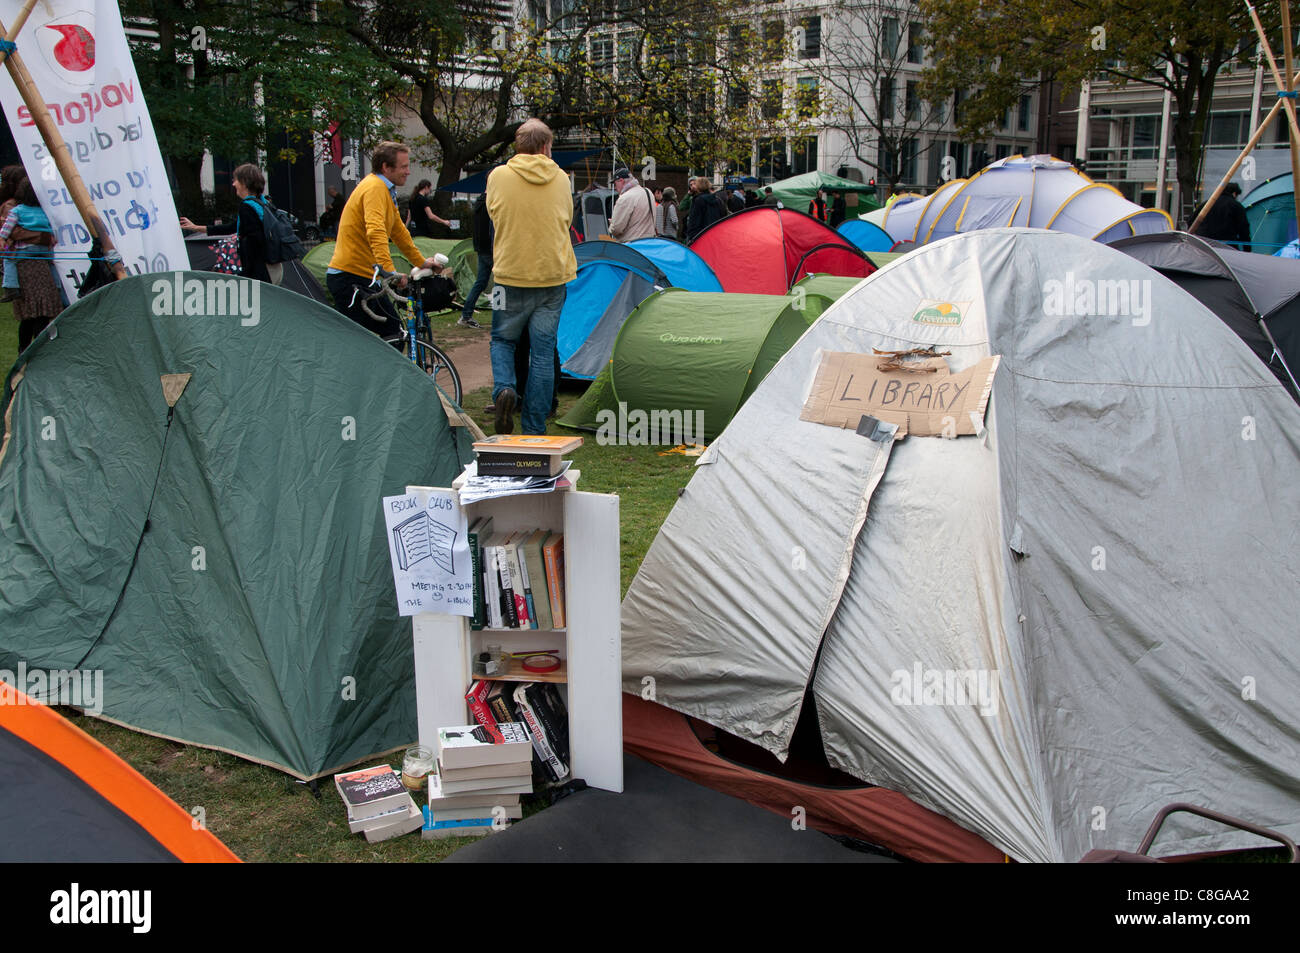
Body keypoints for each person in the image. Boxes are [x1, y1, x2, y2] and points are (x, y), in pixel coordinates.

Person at [485, 118, 576, 434]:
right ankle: (535, 427)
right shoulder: (562, 180)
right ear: (545, 146)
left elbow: (494, 214)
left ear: (518, 146)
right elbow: (566, 219)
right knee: (542, 352)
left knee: (502, 340)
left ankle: (505, 389)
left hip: (509, 276)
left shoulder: (498, 176)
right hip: (552, 276)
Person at [325, 141, 442, 336]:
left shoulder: (385, 190)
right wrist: (389, 271)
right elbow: (376, 231)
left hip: (362, 276)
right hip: (350, 277)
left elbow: (399, 232)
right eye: (404, 166)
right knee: (391, 332)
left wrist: (421, 262)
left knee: (391, 331)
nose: (408, 172)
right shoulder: (374, 188)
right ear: (386, 167)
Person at [179, 163, 274, 284]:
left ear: (244, 183)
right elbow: (231, 228)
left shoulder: (247, 207)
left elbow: (253, 242)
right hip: (270, 267)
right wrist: (195, 227)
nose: (233, 184)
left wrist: (245, 274)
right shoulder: (262, 203)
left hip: (258, 272)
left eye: (236, 180)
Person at [1, 179, 63, 352]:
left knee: (33, 314)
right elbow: (52, 235)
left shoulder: (17, 210)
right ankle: (33, 351)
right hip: (41, 260)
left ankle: (10, 286)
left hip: (26, 261)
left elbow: (6, 230)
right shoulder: (44, 212)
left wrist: (3, 239)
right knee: (38, 313)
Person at [459, 189, 492, 330]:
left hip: (481, 248)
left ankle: (466, 315)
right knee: (504, 283)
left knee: (480, 283)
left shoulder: (479, 202)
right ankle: (503, 318)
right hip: (490, 249)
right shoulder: (491, 202)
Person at [1191, 182, 1251, 252]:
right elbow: (1244, 230)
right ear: (1234, 193)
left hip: (1204, 244)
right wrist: (1247, 250)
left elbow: (1191, 221)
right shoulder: (1236, 206)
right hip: (1227, 246)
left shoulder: (1207, 203)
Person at [0, 165, 28, 302]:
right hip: (21, 253)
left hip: (21, 253)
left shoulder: (15, 206)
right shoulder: (12, 206)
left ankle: (10, 286)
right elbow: (11, 231)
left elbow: (9, 231)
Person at [608, 167, 657, 242]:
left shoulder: (625, 198)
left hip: (631, 246)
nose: (615, 188)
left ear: (621, 181)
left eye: (615, 184)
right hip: (649, 243)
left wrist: (612, 224)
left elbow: (616, 229)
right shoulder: (648, 192)